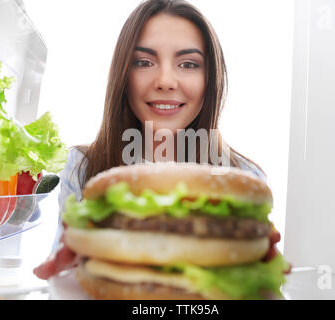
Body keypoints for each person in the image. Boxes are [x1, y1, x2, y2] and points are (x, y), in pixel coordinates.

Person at [33, 0, 267, 280]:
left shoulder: (246, 178)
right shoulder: (81, 167)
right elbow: (66, 281)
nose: (166, 81)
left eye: (189, 64)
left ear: (211, 78)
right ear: (123, 74)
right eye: (143, 62)